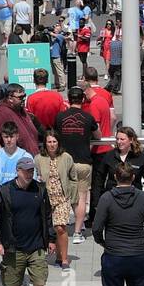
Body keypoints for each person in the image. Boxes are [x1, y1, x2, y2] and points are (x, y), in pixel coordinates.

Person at [0, 153, 54, 286]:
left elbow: (47, 216)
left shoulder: (40, 189)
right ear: (17, 171)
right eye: (25, 171)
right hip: (13, 248)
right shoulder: (5, 191)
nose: (29, 174)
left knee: (39, 282)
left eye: (31, 171)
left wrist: (51, 238)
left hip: (36, 246)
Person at [92, 164, 144, 286]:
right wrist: (143, 239)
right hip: (138, 253)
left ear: (115, 177)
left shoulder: (106, 198)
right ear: (133, 178)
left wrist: (103, 242)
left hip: (113, 254)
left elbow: (97, 228)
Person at [53, 90, 98, 242]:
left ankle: (63, 228)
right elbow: (97, 135)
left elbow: (54, 135)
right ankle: (78, 232)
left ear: (68, 99)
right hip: (84, 162)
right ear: (83, 99)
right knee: (81, 197)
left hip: (64, 162)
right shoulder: (88, 117)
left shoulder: (59, 117)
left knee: (65, 196)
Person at [36, 132, 77, 270]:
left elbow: (73, 177)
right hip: (46, 199)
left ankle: (64, 259)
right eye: (49, 142)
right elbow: (35, 176)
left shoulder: (66, 157)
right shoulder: (39, 158)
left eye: (54, 141)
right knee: (49, 228)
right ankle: (57, 255)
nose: (52, 145)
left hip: (62, 198)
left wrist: (72, 194)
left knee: (60, 227)